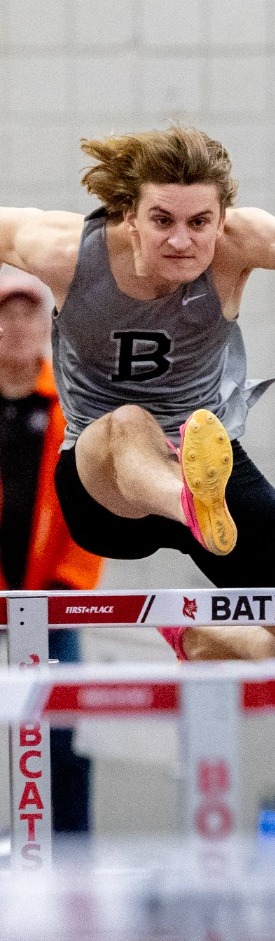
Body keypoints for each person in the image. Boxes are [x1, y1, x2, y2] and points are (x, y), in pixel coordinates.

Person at [0, 124, 275, 661]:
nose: (181, 241)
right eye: (162, 221)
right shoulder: (67, 250)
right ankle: (190, 503)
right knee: (128, 422)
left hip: (206, 456)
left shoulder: (237, 243)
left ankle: (212, 638)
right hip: (103, 484)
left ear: (220, 220)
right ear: (129, 215)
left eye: (199, 223)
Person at [0, 271, 102, 833]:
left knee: (62, 740)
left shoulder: (73, 410)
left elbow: (93, 509)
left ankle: (73, 872)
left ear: (47, 326)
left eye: (27, 314)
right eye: (5, 316)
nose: (15, 328)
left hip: (53, 606)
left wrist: (66, 589)